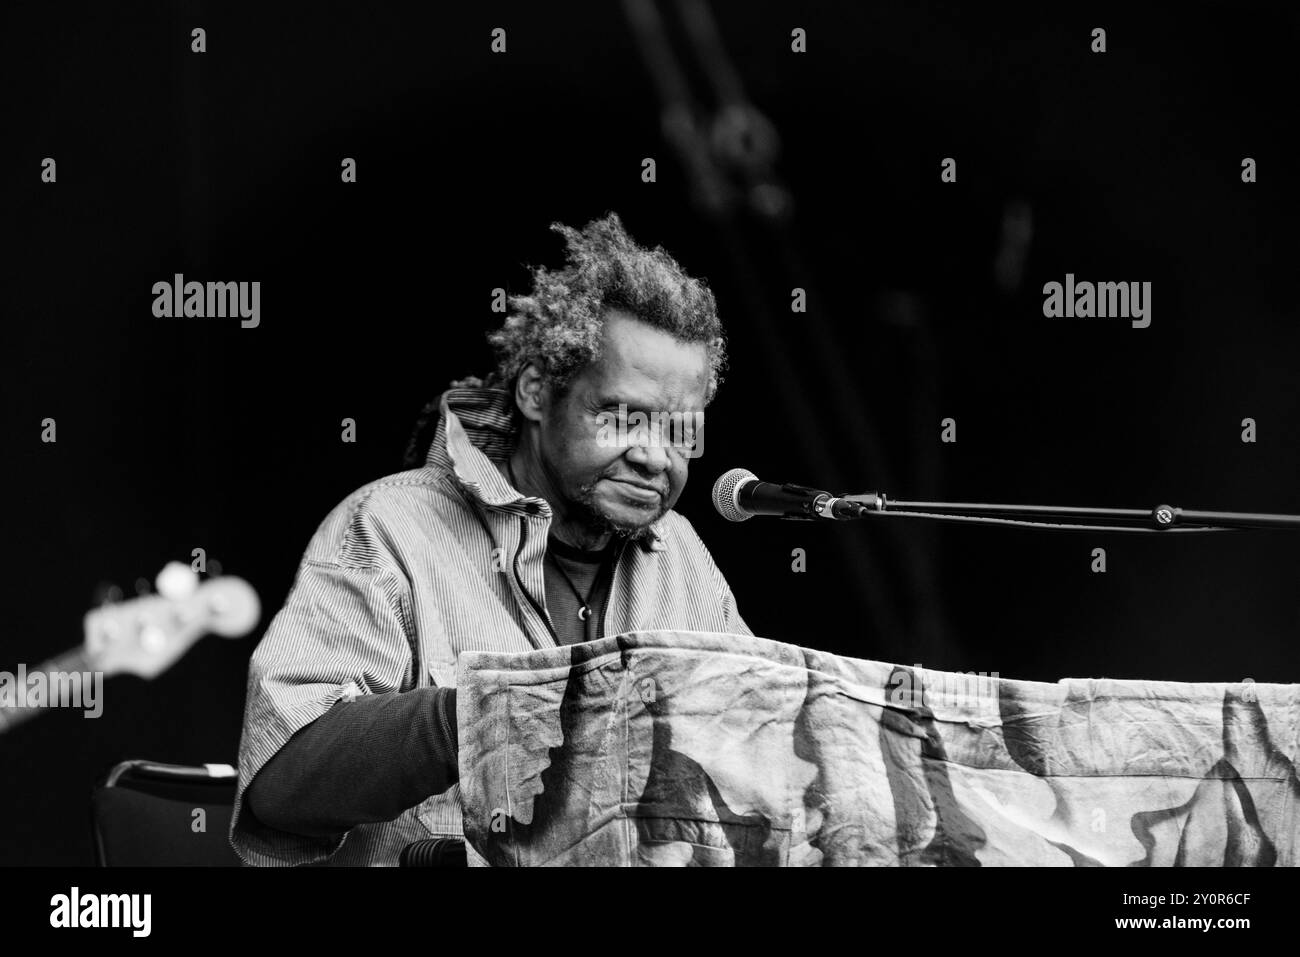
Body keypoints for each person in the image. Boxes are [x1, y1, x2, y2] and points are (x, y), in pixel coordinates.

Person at [230, 211, 753, 865]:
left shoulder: (683, 560)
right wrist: (485, 715)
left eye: (679, 432)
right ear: (537, 391)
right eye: (623, 416)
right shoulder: (389, 528)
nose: (656, 456)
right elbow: (278, 788)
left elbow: (753, 782)